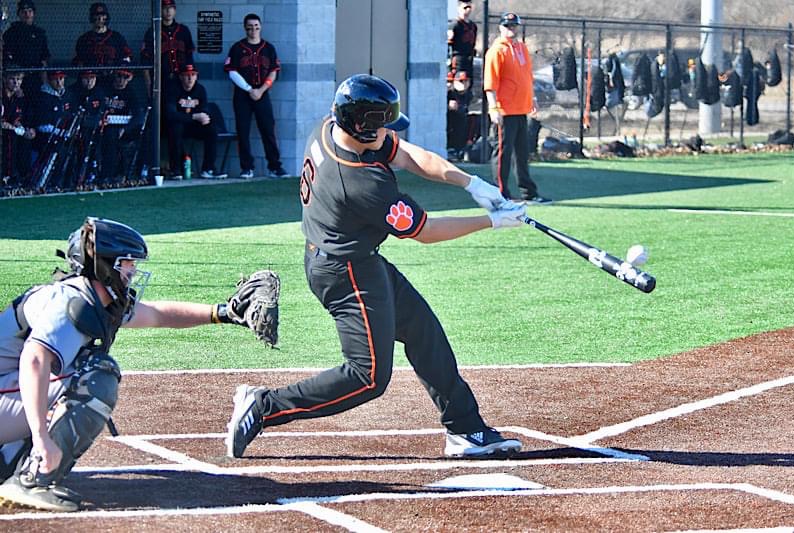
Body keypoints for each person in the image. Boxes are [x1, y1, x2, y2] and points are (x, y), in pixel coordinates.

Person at [225, 74, 525, 460]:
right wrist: (491, 221)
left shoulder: (330, 128)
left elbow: (410, 155)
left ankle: (466, 429)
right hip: (343, 272)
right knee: (367, 378)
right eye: (380, 123)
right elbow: (426, 231)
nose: (387, 131)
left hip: (354, 258)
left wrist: (473, 185)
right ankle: (263, 406)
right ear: (362, 126)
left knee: (422, 330)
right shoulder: (361, 183)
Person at [0, 216, 261, 512]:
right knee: (95, 375)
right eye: (127, 264)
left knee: (83, 372)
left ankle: (12, 464)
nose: (133, 271)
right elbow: (34, 360)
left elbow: (158, 315)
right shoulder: (71, 302)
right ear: (105, 266)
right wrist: (41, 437)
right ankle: (32, 480)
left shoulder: (94, 300)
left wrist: (222, 313)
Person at [484, 12, 551, 204]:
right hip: (504, 111)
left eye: (513, 26)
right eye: (507, 26)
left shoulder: (521, 48)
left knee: (522, 153)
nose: (510, 29)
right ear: (500, 27)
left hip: (521, 109)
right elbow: (491, 83)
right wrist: (493, 108)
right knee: (503, 154)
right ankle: (500, 194)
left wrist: (533, 98)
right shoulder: (496, 51)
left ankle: (528, 192)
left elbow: (527, 76)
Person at [223, 13, 287, 179]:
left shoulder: (268, 48)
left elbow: (274, 71)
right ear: (245, 28)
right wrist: (249, 89)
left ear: (261, 27)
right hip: (243, 95)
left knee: (268, 130)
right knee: (242, 131)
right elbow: (231, 71)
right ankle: (246, 168)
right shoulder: (237, 48)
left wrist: (261, 89)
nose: (253, 30)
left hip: (263, 94)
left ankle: (275, 167)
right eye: (250, 27)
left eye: (256, 27)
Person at [165, 64, 227, 179]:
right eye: (187, 75)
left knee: (211, 130)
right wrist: (193, 116)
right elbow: (171, 114)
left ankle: (208, 168)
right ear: (180, 77)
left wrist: (204, 116)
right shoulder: (173, 89)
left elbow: (204, 109)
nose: (190, 79)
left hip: (193, 126)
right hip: (178, 126)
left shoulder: (200, 89)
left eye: (193, 75)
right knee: (175, 128)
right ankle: (176, 170)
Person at [98, 69, 145, 184]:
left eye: (125, 77)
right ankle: (106, 175)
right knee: (109, 138)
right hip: (104, 124)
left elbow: (139, 116)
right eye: (119, 76)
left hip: (121, 126)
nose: (121, 80)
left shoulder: (131, 93)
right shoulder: (104, 88)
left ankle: (127, 173)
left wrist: (125, 129)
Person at [141, 0, 195, 98]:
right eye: (165, 8)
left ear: (175, 10)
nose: (168, 11)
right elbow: (145, 61)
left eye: (171, 8)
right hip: (161, 81)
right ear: (160, 10)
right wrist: (149, 86)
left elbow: (190, 56)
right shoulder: (152, 32)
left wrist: (189, 79)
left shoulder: (183, 30)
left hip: (181, 80)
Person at [73, 2, 133, 90]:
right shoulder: (84, 39)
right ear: (92, 17)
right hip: (91, 80)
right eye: (96, 15)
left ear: (106, 17)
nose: (100, 18)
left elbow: (127, 57)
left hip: (112, 79)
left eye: (103, 15)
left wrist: (120, 73)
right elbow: (78, 61)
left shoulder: (116, 37)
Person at [1, 0, 50, 100]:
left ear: (34, 13)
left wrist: (45, 83)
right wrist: (16, 85)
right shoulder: (11, 33)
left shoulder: (40, 33)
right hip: (18, 79)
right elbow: (7, 59)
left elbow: (44, 58)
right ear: (19, 14)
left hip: (35, 77)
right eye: (24, 12)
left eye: (30, 11)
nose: (27, 14)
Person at [1, 70, 36, 188]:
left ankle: (13, 176)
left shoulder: (18, 98)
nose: (16, 83)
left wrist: (24, 129)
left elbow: (17, 119)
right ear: (5, 79)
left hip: (11, 135)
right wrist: (12, 127)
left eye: (19, 79)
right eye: (12, 79)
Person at [447, 0, 477, 85]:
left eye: (469, 7)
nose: (467, 10)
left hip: (469, 58)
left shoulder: (473, 26)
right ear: (458, 8)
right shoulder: (455, 25)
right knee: (459, 83)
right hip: (458, 59)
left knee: (469, 83)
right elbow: (448, 45)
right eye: (465, 8)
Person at [446, 70, 471, 162]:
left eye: (466, 81)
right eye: (461, 81)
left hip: (464, 129)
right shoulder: (449, 94)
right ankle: (451, 150)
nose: (464, 83)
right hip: (451, 127)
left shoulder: (470, 94)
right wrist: (447, 106)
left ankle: (461, 150)